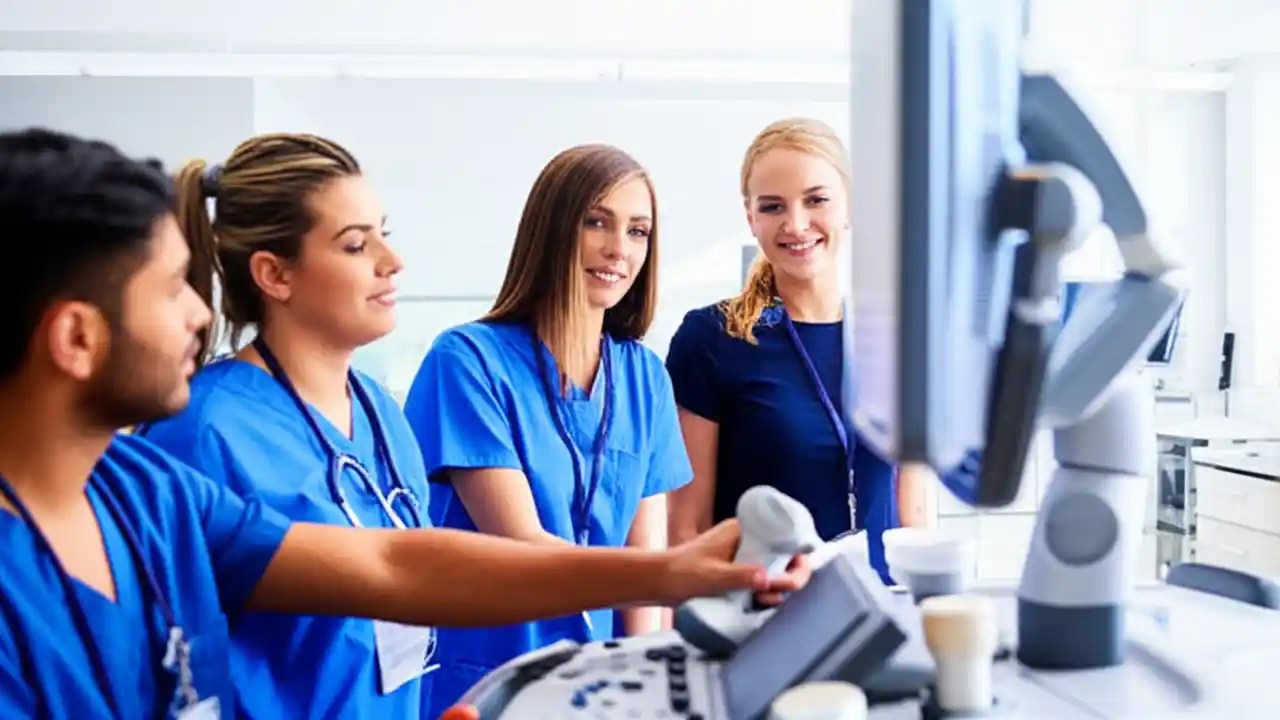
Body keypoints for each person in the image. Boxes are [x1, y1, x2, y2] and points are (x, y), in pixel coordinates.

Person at [0, 128, 808, 719]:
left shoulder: (150, 493)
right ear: (76, 337)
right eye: (171, 288)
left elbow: (392, 563)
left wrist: (671, 572)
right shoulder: (199, 440)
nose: (195, 313)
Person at [404, 143, 734, 716]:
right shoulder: (467, 361)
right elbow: (523, 547)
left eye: (638, 231)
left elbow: (643, 564)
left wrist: (648, 684)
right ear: (552, 230)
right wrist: (675, 571)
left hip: (598, 691)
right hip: (488, 683)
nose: (618, 249)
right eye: (596, 222)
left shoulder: (644, 378)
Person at [134, 132, 428, 718]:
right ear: (275, 275)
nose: (393, 263)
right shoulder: (199, 430)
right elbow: (161, 659)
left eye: (384, 236)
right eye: (354, 246)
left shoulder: (382, 411)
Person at [664, 117, 931, 585]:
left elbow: (916, 512)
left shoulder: (892, 339)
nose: (796, 224)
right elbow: (688, 527)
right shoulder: (714, 338)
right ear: (751, 218)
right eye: (772, 207)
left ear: (849, 205)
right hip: (763, 621)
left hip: (881, 617)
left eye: (816, 200)